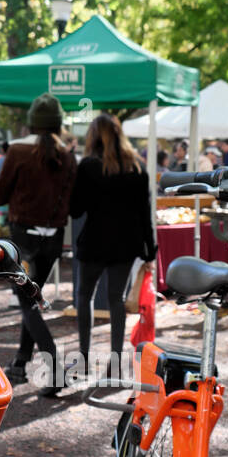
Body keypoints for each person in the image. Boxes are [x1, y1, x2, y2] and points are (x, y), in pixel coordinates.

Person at [0, 93, 76, 394]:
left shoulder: (17, 151)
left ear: (31, 123)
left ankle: (53, 366)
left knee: (28, 301)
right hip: (53, 240)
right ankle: (20, 362)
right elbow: (73, 203)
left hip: (23, 238)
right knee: (31, 298)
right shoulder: (68, 156)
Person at [69, 112, 156, 380]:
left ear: (93, 136)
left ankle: (83, 359)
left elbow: (75, 210)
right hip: (125, 245)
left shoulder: (88, 167)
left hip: (94, 241)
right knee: (116, 299)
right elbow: (144, 212)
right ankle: (116, 362)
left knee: (85, 297)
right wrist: (149, 248)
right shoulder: (137, 167)